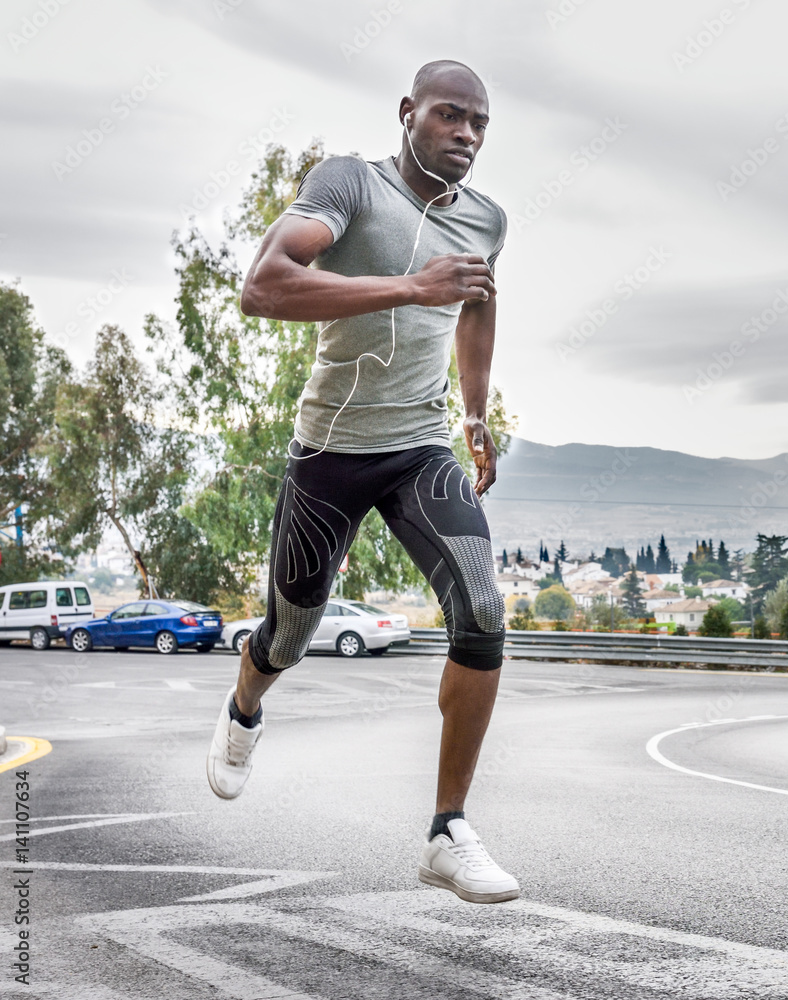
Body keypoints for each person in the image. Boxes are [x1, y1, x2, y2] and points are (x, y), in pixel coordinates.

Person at [206, 60, 518, 904]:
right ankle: (243, 710)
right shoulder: (350, 184)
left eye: (480, 123)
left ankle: (447, 830)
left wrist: (476, 415)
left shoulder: (487, 218)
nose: (467, 134)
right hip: (330, 453)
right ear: (409, 113)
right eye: (450, 116)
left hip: (419, 449)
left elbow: (478, 299)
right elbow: (262, 288)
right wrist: (414, 285)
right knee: (289, 635)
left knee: (484, 609)